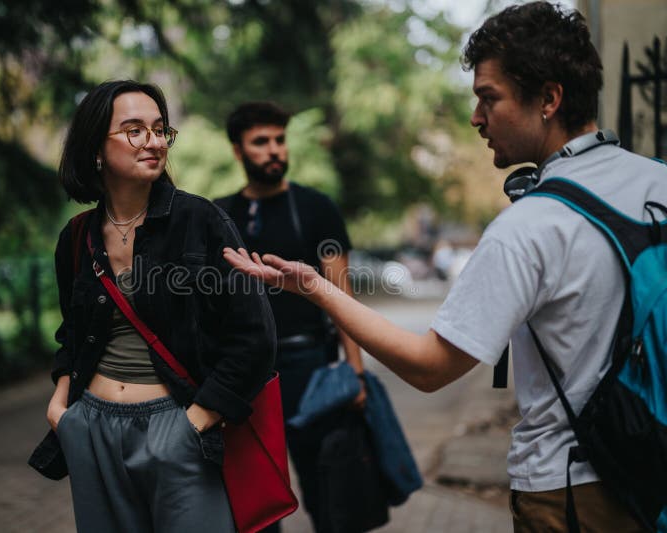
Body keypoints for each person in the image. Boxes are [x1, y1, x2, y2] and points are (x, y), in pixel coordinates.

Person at [223, 2, 667, 531]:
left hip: (570, 488)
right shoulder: (657, 182)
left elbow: (430, 366)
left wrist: (316, 289)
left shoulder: (530, 224)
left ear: (549, 98)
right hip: (654, 459)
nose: (477, 118)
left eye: (488, 98)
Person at [41, 80, 276, 533]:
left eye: (160, 129)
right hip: (90, 428)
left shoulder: (202, 221)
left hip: (179, 426)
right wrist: (61, 402)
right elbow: (72, 332)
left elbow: (255, 338)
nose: (153, 141)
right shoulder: (75, 238)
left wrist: (195, 423)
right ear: (95, 149)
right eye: (134, 130)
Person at [214, 101, 366, 532]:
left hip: (309, 366)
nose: (274, 150)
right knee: (259, 505)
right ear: (238, 151)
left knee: (328, 494)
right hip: (245, 374)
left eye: (280, 140)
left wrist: (354, 371)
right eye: (260, 142)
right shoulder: (220, 215)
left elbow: (343, 294)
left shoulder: (317, 208)